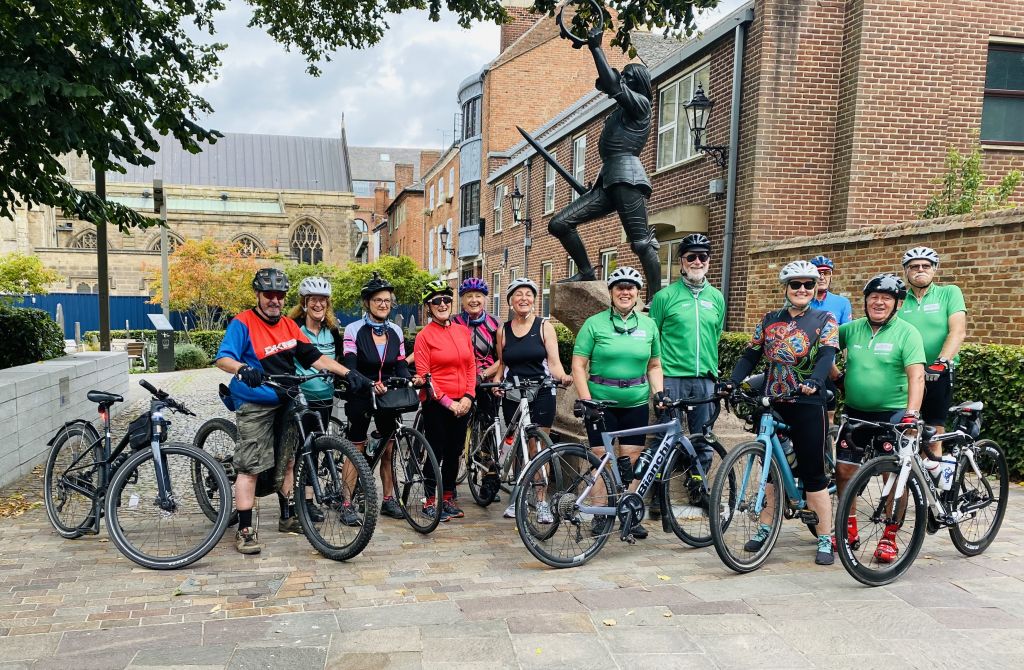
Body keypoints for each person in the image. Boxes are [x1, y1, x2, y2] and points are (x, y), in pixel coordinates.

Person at [215, 268, 370, 555]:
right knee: (250, 468)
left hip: (286, 398)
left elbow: (315, 357)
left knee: (288, 461)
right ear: (258, 295)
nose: (274, 300)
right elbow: (223, 358)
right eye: (269, 295)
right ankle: (245, 529)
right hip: (256, 401)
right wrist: (242, 368)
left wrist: (349, 374)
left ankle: (287, 517)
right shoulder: (243, 323)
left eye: (279, 295)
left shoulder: (288, 325)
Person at [722, 260, 839, 566]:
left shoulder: (824, 319)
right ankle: (765, 527)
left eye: (808, 284)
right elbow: (750, 355)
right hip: (773, 401)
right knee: (769, 468)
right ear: (785, 288)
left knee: (813, 472)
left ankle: (825, 538)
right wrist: (732, 381)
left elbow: (826, 356)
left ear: (814, 288)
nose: (802, 289)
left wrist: (816, 380)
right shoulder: (770, 319)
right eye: (795, 284)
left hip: (807, 401)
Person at [549, 26, 661, 294]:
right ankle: (587, 272)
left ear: (638, 82)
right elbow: (610, 83)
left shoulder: (641, 104)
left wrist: (596, 47)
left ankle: (657, 298)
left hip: (628, 178)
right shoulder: (621, 111)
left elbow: (611, 84)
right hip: (609, 180)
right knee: (559, 224)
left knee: (641, 243)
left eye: (627, 77)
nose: (623, 79)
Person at [832, 274, 925, 562]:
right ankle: (848, 529)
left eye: (886, 298)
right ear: (866, 301)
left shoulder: (907, 333)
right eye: (874, 297)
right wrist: (837, 377)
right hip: (855, 413)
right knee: (843, 472)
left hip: (892, 415)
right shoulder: (851, 329)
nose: (879, 302)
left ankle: (889, 536)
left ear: (898, 304)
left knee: (892, 477)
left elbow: (916, 376)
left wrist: (911, 414)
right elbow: (822, 348)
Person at [572, 266, 663, 539]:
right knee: (601, 458)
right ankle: (600, 512)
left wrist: (659, 394)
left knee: (632, 458)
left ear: (637, 293)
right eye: (620, 287)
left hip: (635, 402)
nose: (625, 292)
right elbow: (578, 365)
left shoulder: (648, 325)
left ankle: (628, 511)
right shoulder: (594, 324)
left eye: (630, 287)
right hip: (601, 403)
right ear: (611, 292)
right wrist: (586, 400)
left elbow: (655, 365)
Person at [494, 277, 574, 521]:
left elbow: (554, 363)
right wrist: (496, 382)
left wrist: (563, 377)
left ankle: (541, 501)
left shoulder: (544, 327)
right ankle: (518, 497)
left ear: (534, 300)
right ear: (510, 301)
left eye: (528, 294)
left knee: (537, 446)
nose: (524, 298)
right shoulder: (503, 330)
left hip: (541, 391)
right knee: (518, 447)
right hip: (513, 393)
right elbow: (503, 364)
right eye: (518, 294)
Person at [339, 272, 412, 524]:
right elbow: (350, 365)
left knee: (389, 448)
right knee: (355, 449)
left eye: (387, 300)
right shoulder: (354, 329)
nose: (383, 304)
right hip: (361, 393)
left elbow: (400, 364)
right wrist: (369, 383)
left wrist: (409, 379)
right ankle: (346, 503)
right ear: (367, 303)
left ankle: (388, 500)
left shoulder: (395, 331)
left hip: (387, 396)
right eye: (378, 300)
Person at [648, 234, 725, 437]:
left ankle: (699, 461)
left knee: (704, 439)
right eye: (691, 257)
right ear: (682, 261)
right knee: (667, 438)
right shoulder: (664, 297)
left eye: (703, 256)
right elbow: (653, 339)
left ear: (708, 260)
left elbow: (715, 335)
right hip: (672, 378)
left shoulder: (717, 297)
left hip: (705, 379)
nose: (697, 262)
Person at [413, 279, 476, 522]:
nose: (442, 304)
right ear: (428, 307)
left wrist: (469, 396)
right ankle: (430, 500)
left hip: (463, 401)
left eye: (446, 300)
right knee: (435, 450)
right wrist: (450, 403)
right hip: (437, 404)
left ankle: (448, 497)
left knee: (454, 451)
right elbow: (425, 375)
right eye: (436, 301)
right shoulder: (424, 336)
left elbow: (471, 366)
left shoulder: (462, 331)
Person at [899, 246, 966, 460]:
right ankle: (909, 476)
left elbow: (958, 331)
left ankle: (935, 477)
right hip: (905, 374)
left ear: (934, 269)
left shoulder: (949, 293)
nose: (920, 269)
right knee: (905, 429)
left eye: (926, 266)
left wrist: (941, 361)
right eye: (914, 266)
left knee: (933, 432)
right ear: (906, 271)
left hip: (937, 372)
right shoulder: (900, 299)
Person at [286, 275, 343, 528]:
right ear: (304, 302)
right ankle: (302, 500)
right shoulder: (294, 329)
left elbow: (337, 360)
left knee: (316, 448)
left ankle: (308, 498)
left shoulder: (332, 331)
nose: (318, 304)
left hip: (325, 399)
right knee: (300, 450)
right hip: (302, 400)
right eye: (313, 300)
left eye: (323, 300)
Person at [808, 255, 853, 325]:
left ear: (831, 277)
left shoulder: (842, 303)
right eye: (817, 273)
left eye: (826, 273)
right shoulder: (802, 302)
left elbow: (847, 331)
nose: (822, 277)